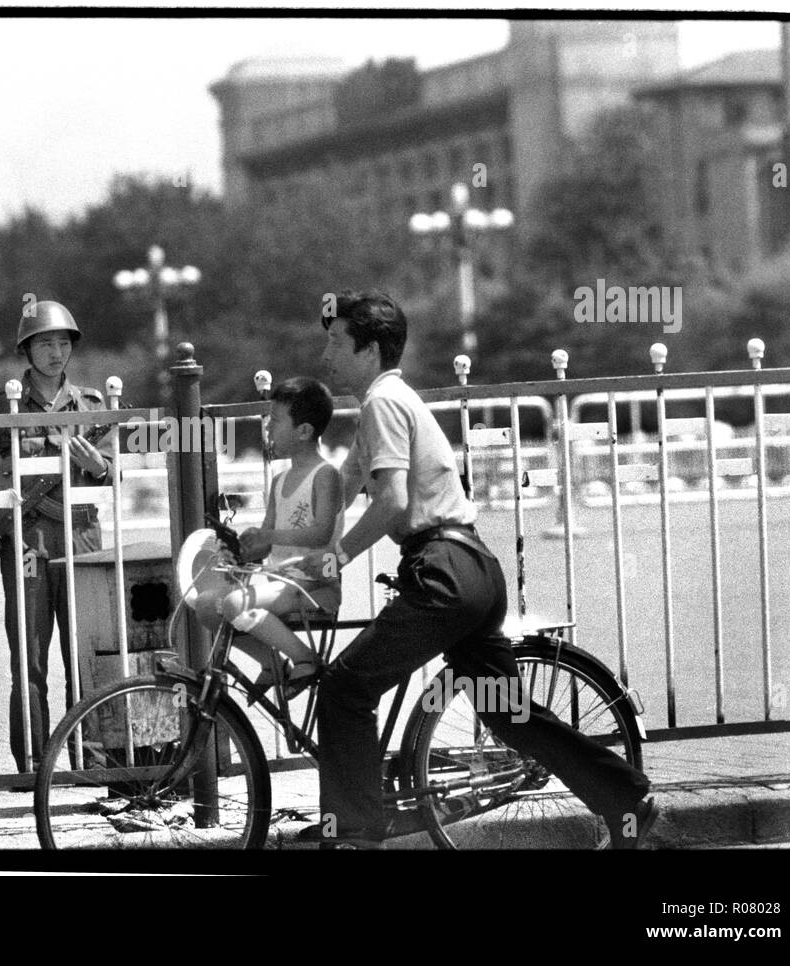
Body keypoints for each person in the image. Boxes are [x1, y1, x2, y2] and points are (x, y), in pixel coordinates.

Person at [301, 290, 656, 849]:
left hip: (443, 572)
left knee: (345, 688)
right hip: (471, 568)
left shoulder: (383, 403)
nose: (325, 356)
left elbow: (391, 502)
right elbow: (342, 493)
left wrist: (337, 556)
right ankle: (626, 799)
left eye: (336, 342)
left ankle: (353, 837)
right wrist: (280, 544)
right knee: (509, 715)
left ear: (369, 350)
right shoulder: (385, 405)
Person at [0, 300, 115, 775]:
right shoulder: (0, 406)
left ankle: (92, 760)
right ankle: (32, 762)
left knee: (86, 654)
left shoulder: (92, 406)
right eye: (45, 343)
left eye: (63, 343)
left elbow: (112, 472)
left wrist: (99, 466)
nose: (55, 352)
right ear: (26, 349)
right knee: (29, 658)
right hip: (25, 542)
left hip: (82, 539)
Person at [191, 377, 344, 702]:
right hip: (276, 582)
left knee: (233, 603)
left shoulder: (325, 475)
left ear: (303, 431)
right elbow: (267, 544)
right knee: (206, 605)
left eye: (275, 421)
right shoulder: (279, 481)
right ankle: (272, 662)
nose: (268, 429)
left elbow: (322, 532)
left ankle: (304, 659)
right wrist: (242, 548)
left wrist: (268, 535)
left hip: (314, 585)